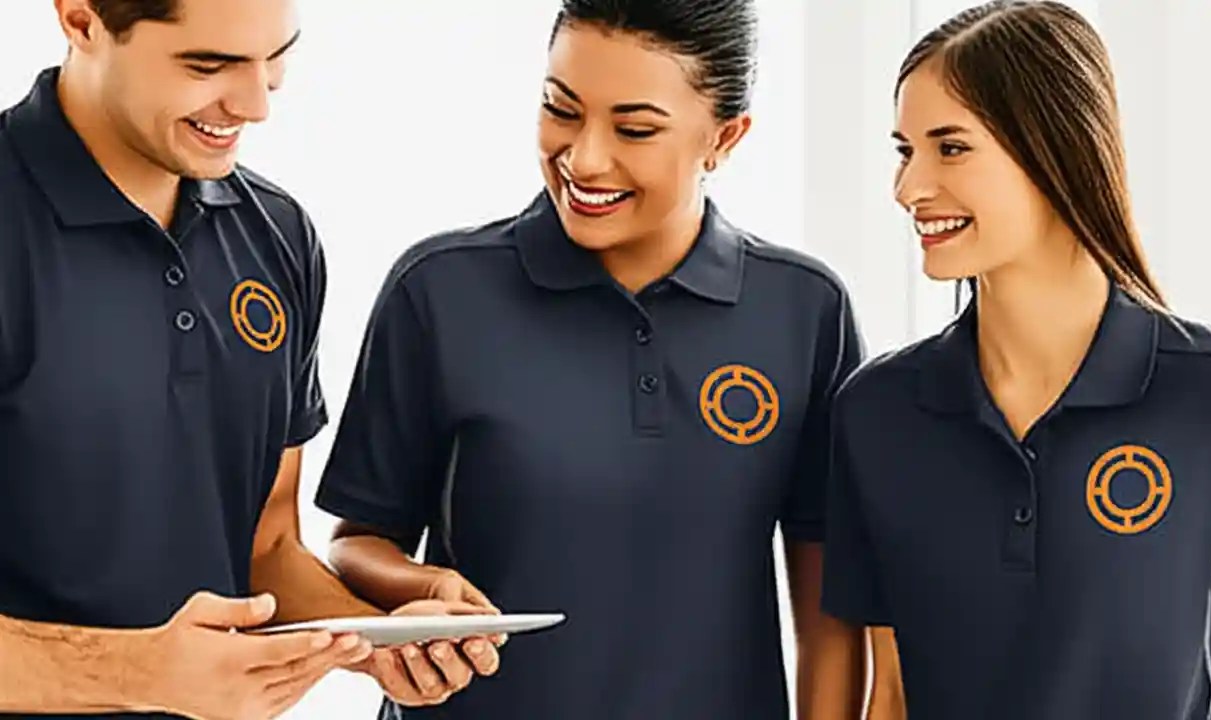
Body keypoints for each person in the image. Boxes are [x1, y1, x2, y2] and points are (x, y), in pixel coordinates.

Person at [313, 0, 867, 717]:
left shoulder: (804, 310)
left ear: (725, 137)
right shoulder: (440, 290)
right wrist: (419, 593)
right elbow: (356, 544)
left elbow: (828, 605)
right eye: (561, 109)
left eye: (634, 128)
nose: (584, 158)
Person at [0, 1, 499, 717]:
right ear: (81, 19)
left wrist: (370, 637)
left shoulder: (278, 237)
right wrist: (137, 672)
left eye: (276, 58)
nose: (257, 104)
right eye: (209, 65)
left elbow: (265, 545)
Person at [818, 1, 1211, 718]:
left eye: (951, 147)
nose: (908, 188)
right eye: (906, 150)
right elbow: (893, 695)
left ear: (1056, 148)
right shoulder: (876, 411)